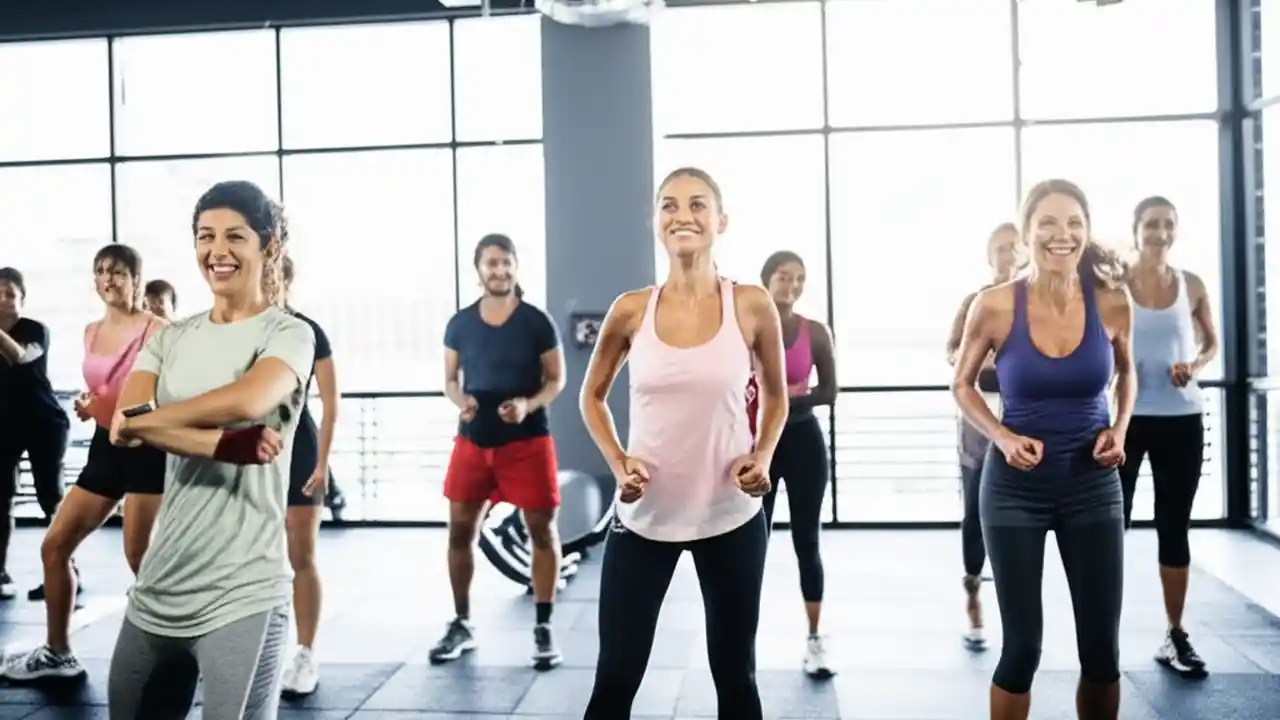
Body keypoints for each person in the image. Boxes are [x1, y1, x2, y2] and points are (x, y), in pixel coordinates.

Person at [579, 167, 788, 719]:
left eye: (697, 205)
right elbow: (591, 397)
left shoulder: (750, 303)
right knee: (615, 678)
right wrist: (619, 462)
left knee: (736, 677)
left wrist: (762, 455)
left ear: (720, 221)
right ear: (656, 221)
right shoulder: (631, 309)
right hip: (646, 515)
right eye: (669, 206)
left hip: (732, 516)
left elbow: (776, 395)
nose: (683, 216)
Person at [104, 180, 315, 719]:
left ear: (269, 246)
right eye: (205, 236)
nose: (217, 251)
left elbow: (248, 399)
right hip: (161, 580)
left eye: (234, 237)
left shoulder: (289, 333)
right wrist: (222, 445)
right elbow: (119, 427)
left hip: (244, 586)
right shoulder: (170, 338)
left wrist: (145, 423)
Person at [952, 178, 1134, 719]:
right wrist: (1003, 437)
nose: (1063, 234)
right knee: (1022, 648)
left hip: (1092, 485)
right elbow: (961, 385)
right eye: (1049, 223)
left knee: (1101, 651)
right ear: (1028, 232)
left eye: (1074, 223)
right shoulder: (995, 305)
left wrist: (1120, 428)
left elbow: (1127, 377)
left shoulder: (1113, 302)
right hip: (1014, 491)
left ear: (1087, 231)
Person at [1, 245, 167, 682]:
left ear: (135, 278)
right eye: (101, 272)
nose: (109, 279)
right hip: (105, 447)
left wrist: (126, 417)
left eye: (117, 272)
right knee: (54, 546)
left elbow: (168, 396)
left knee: (142, 562)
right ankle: (58, 654)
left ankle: (184, 650)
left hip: (149, 449)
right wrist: (90, 405)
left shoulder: (159, 330)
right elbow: (101, 388)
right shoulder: (91, 331)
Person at [429, 233, 566, 670]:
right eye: (491, 263)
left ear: (516, 266)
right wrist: (459, 401)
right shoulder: (460, 323)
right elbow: (451, 380)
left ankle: (543, 626)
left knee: (541, 532)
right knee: (459, 532)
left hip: (527, 441)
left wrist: (527, 404)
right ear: (479, 269)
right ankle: (462, 622)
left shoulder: (537, 322)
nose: (499, 270)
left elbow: (556, 380)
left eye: (506, 262)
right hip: (474, 439)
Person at [1120, 196, 1216, 677]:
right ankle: (1100, 632)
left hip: (1181, 417)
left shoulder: (1191, 284)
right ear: (1135, 229)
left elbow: (1210, 341)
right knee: (1109, 525)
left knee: (1173, 524)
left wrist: (1194, 366)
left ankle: (1175, 635)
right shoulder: (1115, 286)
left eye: (1168, 225)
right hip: (1126, 419)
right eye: (1151, 224)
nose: (1160, 232)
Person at [758, 250, 836, 677]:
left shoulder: (815, 332)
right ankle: (741, 636)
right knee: (753, 542)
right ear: (767, 279)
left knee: (807, 541)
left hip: (805, 441)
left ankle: (814, 639)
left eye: (799, 278)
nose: (792, 284)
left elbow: (830, 391)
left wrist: (783, 401)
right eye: (784, 276)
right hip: (762, 446)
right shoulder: (749, 329)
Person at [944, 222, 1022, 651]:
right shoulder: (976, 302)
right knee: (976, 509)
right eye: (1001, 248)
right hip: (980, 418)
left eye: (1015, 247)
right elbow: (955, 355)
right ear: (989, 255)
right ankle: (974, 595)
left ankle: (1016, 606)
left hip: (1027, 417)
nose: (1009, 255)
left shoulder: (1037, 301)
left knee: (1019, 514)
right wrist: (984, 359)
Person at [277, 254, 339, 696]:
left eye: (273, 272)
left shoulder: (308, 330)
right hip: (246, 454)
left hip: (299, 450)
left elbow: (332, 403)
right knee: (244, 561)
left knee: (302, 556)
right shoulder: (233, 329)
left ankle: (304, 654)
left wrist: (323, 464)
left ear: (285, 279)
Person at [0, 267, 69, 601]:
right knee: (0, 500)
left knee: (50, 498)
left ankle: (67, 572)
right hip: (6, 426)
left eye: (10, 293)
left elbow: (22, 358)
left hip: (45, 424)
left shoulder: (35, 330)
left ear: (22, 300)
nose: (3, 299)